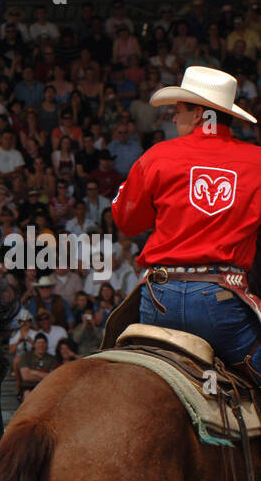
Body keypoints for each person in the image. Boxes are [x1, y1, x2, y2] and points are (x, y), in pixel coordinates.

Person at [111, 67, 261, 381]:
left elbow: (126, 221)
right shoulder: (256, 162)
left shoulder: (158, 156)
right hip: (222, 301)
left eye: (178, 111)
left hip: (160, 299)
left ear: (198, 115)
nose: (173, 119)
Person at [15, 333, 58, 399]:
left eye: (43, 343)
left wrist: (34, 372)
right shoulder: (26, 356)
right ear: (34, 344)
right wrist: (45, 376)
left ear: (47, 345)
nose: (41, 345)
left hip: (47, 387)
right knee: (27, 395)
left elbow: (52, 378)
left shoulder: (52, 359)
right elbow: (25, 377)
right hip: (29, 387)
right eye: (38, 343)